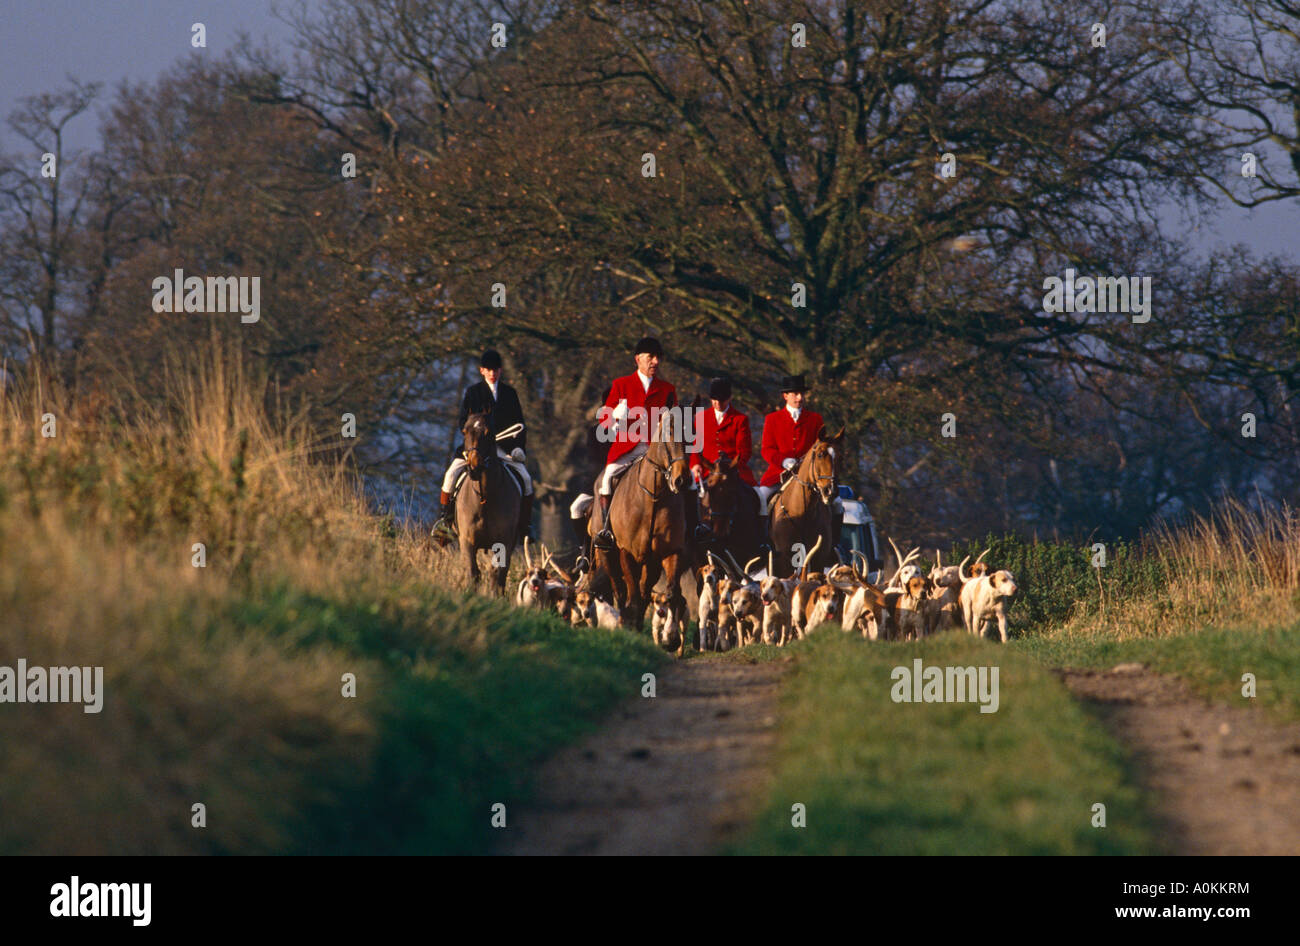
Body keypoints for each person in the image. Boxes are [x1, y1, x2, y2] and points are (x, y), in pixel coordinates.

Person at [432, 349, 533, 542]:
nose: (492, 374)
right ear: (482, 371)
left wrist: (518, 448)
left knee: (527, 480)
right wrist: (474, 436)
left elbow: (520, 423)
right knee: (450, 476)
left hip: (503, 448)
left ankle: (524, 526)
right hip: (475, 448)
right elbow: (463, 421)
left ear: (501, 371)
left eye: (495, 370)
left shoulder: (510, 394)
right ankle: (445, 521)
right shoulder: (473, 393)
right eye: (488, 370)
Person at [592, 336, 677, 551]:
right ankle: (606, 531)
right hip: (626, 448)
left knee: (687, 483)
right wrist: (616, 416)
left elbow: (675, 422)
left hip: (657, 450)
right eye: (651, 357)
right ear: (638, 359)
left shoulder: (667, 388)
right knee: (607, 479)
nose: (656, 362)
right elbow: (604, 420)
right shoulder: (621, 385)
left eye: (658, 358)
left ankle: (692, 530)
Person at [757, 374, 824, 521]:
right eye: (795, 394)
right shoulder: (772, 419)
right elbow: (767, 449)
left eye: (802, 394)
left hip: (809, 476)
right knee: (760, 498)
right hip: (778, 475)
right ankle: (760, 542)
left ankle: (833, 543)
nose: (800, 398)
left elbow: (820, 449)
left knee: (837, 504)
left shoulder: (815, 419)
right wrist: (784, 461)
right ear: (785, 396)